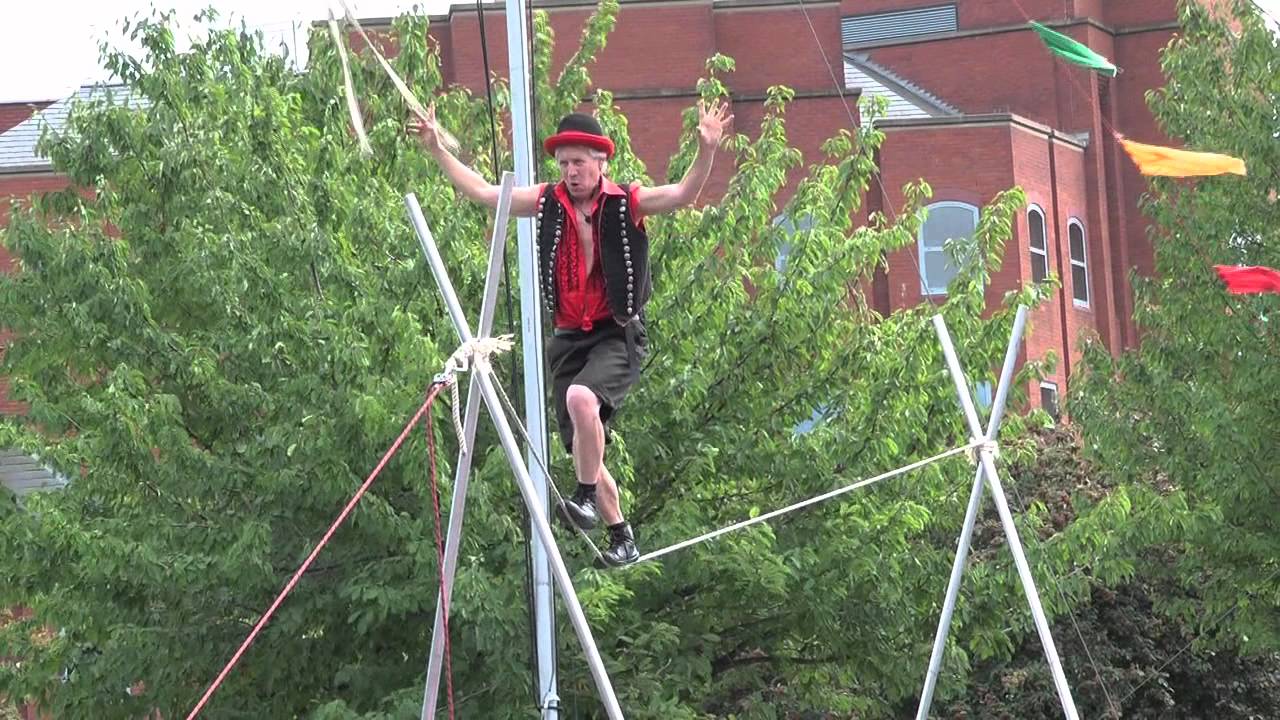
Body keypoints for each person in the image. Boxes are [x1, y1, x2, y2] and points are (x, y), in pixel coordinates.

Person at [410, 101, 732, 566]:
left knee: (582, 402)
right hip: (567, 340)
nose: (571, 171)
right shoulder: (547, 201)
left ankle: (582, 498)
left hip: (615, 334)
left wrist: (706, 150)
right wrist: (438, 148)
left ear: (600, 162)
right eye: (563, 164)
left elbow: (683, 194)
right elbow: (483, 193)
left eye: (578, 162)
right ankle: (621, 536)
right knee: (587, 444)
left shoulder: (627, 201)